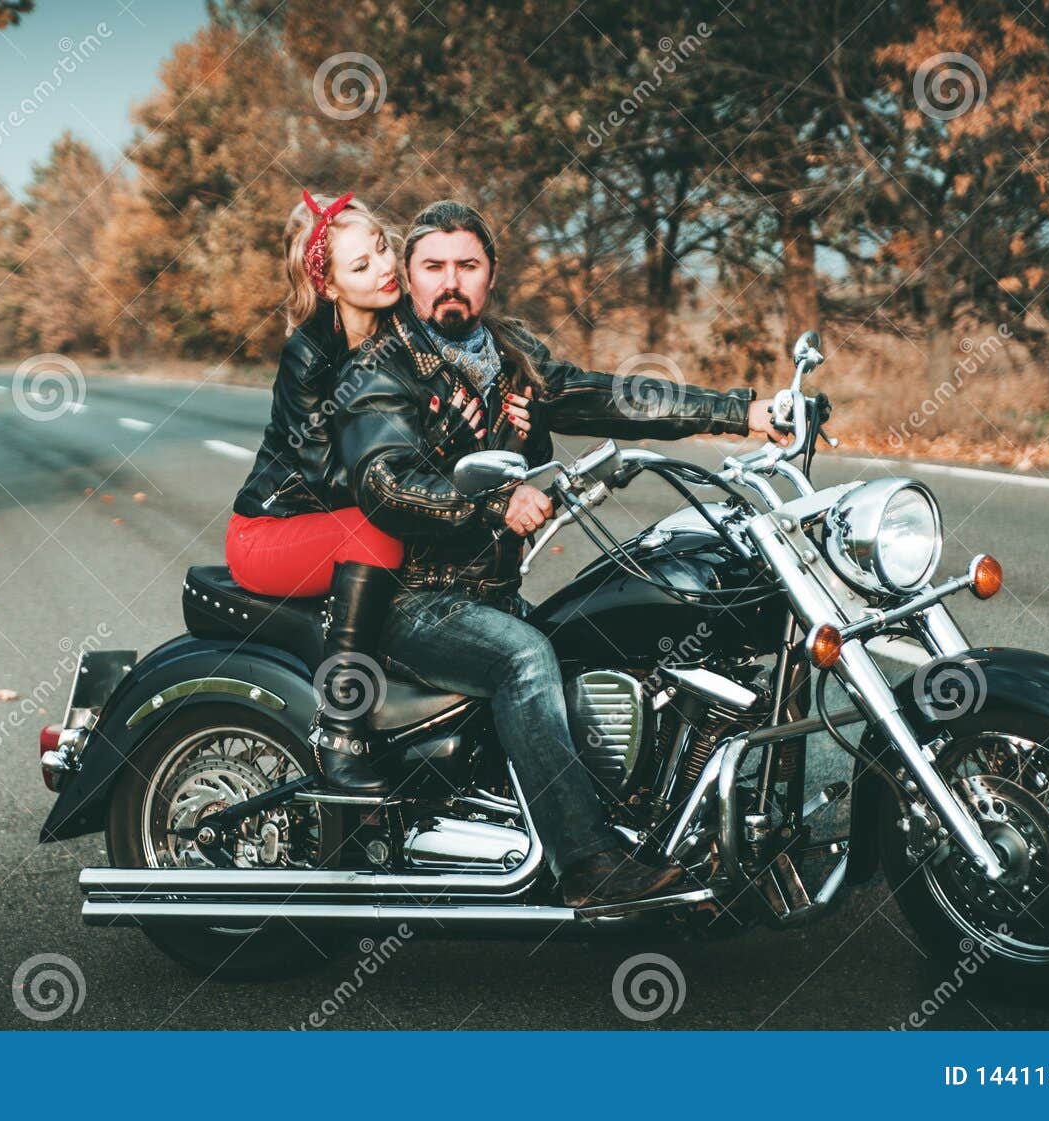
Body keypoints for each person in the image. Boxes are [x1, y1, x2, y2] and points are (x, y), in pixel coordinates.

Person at [335, 200, 786, 908]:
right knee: (524, 658)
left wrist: (741, 414)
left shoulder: (509, 353)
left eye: (467, 265)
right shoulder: (384, 368)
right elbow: (382, 481)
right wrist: (493, 503)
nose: (450, 281)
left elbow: (611, 396)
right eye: (434, 266)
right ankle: (588, 863)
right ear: (412, 277)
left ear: (489, 276)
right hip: (415, 603)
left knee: (609, 629)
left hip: (490, 594)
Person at [227, 191, 529, 795]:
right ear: (331, 287)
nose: (383, 268)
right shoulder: (309, 354)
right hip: (271, 531)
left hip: (332, 527)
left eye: (382, 250)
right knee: (378, 530)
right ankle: (341, 731)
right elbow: (329, 478)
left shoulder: (404, 336)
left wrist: (515, 421)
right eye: (360, 266)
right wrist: (431, 450)